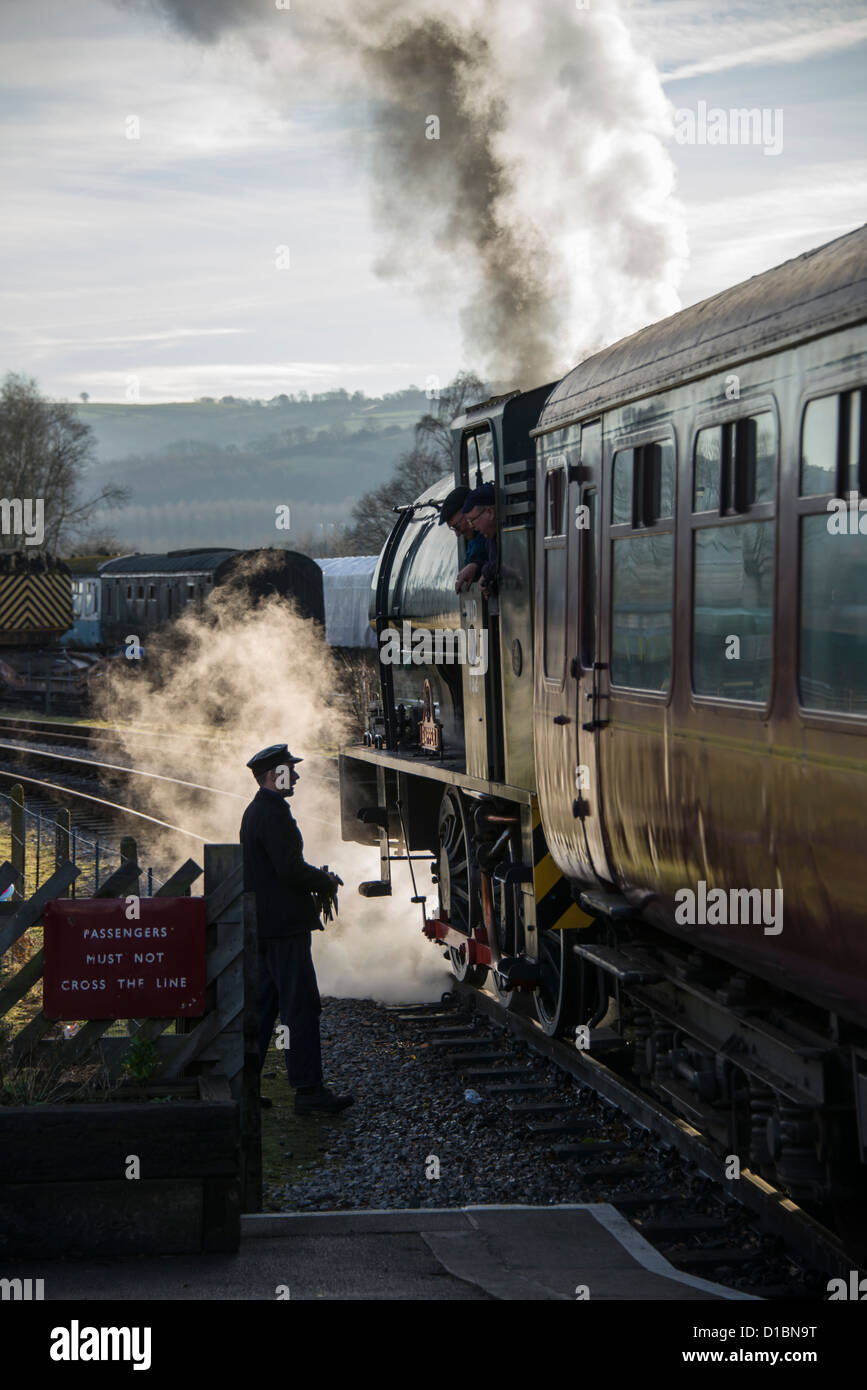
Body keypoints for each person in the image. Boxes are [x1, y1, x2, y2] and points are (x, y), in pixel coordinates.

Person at [240, 743, 353, 1115]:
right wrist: (323, 882)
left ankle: (244, 1090)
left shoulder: (257, 811)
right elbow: (288, 868)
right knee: (300, 1008)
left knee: (262, 1010)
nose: (298, 776)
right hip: (285, 928)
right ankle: (308, 1092)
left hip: (265, 927)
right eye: (291, 769)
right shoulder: (273, 814)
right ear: (276, 774)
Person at [439, 483, 488, 594]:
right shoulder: (473, 540)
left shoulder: (485, 534)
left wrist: (476, 565)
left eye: (457, 526)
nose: (457, 534)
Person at [461, 483, 498, 600]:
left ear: (490, 512)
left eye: (472, 520)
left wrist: (486, 573)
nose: (472, 527)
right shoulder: (490, 541)